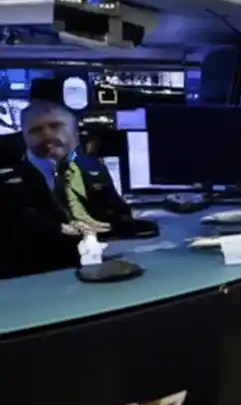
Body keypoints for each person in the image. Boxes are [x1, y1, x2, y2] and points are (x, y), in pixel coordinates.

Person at [0, 100, 153, 278]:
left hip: (96, 270)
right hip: (35, 279)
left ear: (74, 132)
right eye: (36, 130)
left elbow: (118, 217)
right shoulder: (7, 182)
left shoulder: (90, 167)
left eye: (55, 126)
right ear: (24, 137)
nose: (46, 134)